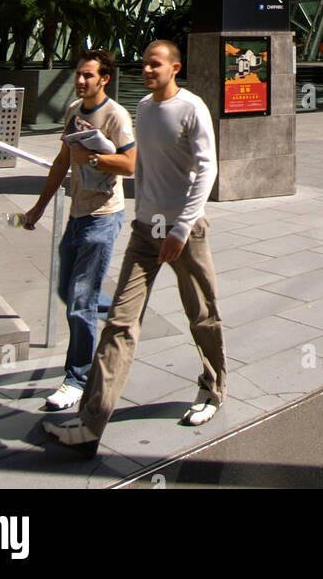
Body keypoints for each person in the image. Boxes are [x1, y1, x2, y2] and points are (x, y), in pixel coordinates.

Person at [43, 39, 226, 455]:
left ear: (175, 68)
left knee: (202, 314)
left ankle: (213, 389)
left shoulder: (192, 108)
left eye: (156, 64)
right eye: (144, 63)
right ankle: (90, 423)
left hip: (186, 231)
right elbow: (140, 167)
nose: (147, 70)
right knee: (121, 323)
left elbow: (207, 168)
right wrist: (141, 214)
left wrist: (181, 229)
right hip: (146, 229)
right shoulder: (143, 108)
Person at [23, 49, 136, 411]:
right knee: (66, 289)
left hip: (104, 215)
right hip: (77, 214)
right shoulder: (74, 111)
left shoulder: (116, 115)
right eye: (79, 74)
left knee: (80, 300)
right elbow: (61, 161)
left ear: (104, 78)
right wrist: (39, 206)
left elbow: (131, 164)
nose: (81, 80)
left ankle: (77, 378)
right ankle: (124, 312)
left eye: (89, 75)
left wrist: (97, 158)